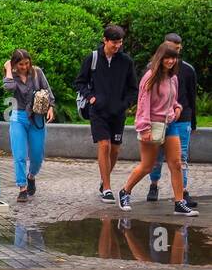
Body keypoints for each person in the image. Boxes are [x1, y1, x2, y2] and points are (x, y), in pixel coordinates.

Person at [115, 42, 199, 216]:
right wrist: (144, 127)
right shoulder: (150, 77)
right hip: (152, 125)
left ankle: (179, 202)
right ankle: (125, 191)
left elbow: (173, 100)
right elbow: (143, 104)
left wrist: (177, 108)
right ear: (160, 58)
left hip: (170, 125)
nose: (170, 61)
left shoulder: (173, 78)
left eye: (173, 58)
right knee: (147, 166)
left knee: (176, 164)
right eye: (167, 57)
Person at [74, 25, 138, 204]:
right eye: (114, 43)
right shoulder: (92, 58)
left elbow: (133, 88)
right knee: (104, 145)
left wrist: (125, 104)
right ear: (105, 40)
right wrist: (91, 98)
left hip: (118, 113)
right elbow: (80, 82)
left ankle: (104, 180)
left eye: (120, 42)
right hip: (98, 111)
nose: (117, 46)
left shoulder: (126, 61)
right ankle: (108, 189)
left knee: (115, 149)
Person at [148, 32, 197, 205]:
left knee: (181, 157)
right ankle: (153, 185)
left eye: (175, 50)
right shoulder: (152, 69)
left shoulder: (187, 69)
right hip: (159, 119)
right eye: (168, 49)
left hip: (182, 118)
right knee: (156, 157)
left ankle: (182, 192)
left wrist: (192, 121)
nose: (171, 55)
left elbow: (191, 96)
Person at [3, 49, 55, 203]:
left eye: (26, 63)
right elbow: (9, 87)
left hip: (37, 117)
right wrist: (8, 68)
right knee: (19, 155)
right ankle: (22, 188)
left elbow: (47, 89)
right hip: (18, 116)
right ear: (14, 64)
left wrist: (51, 107)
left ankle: (31, 176)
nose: (24, 67)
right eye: (20, 64)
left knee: (37, 156)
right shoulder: (11, 75)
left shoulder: (37, 72)